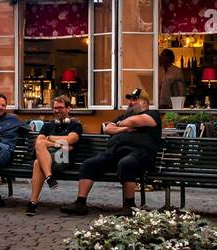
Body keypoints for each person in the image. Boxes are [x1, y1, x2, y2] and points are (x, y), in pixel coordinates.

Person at [61, 88, 162, 217]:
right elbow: (107, 128)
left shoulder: (153, 114)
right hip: (116, 152)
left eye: (134, 99)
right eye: (130, 99)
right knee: (89, 164)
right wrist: (126, 129)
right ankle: (80, 203)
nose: (130, 102)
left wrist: (122, 124)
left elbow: (135, 121)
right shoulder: (124, 115)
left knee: (126, 164)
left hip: (141, 154)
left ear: (144, 102)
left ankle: (129, 206)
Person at [26, 95, 85, 215]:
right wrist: (60, 144)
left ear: (68, 109)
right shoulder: (47, 125)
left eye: (61, 107)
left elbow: (70, 140)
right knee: (38, 159)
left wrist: (51, 139)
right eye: (55, 108)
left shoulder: (75, 125)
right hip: (48, 157)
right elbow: (38, 142)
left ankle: (33, 201)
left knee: (39, 160)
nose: (57, 110)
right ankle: (47, 180)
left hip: (63, 158)